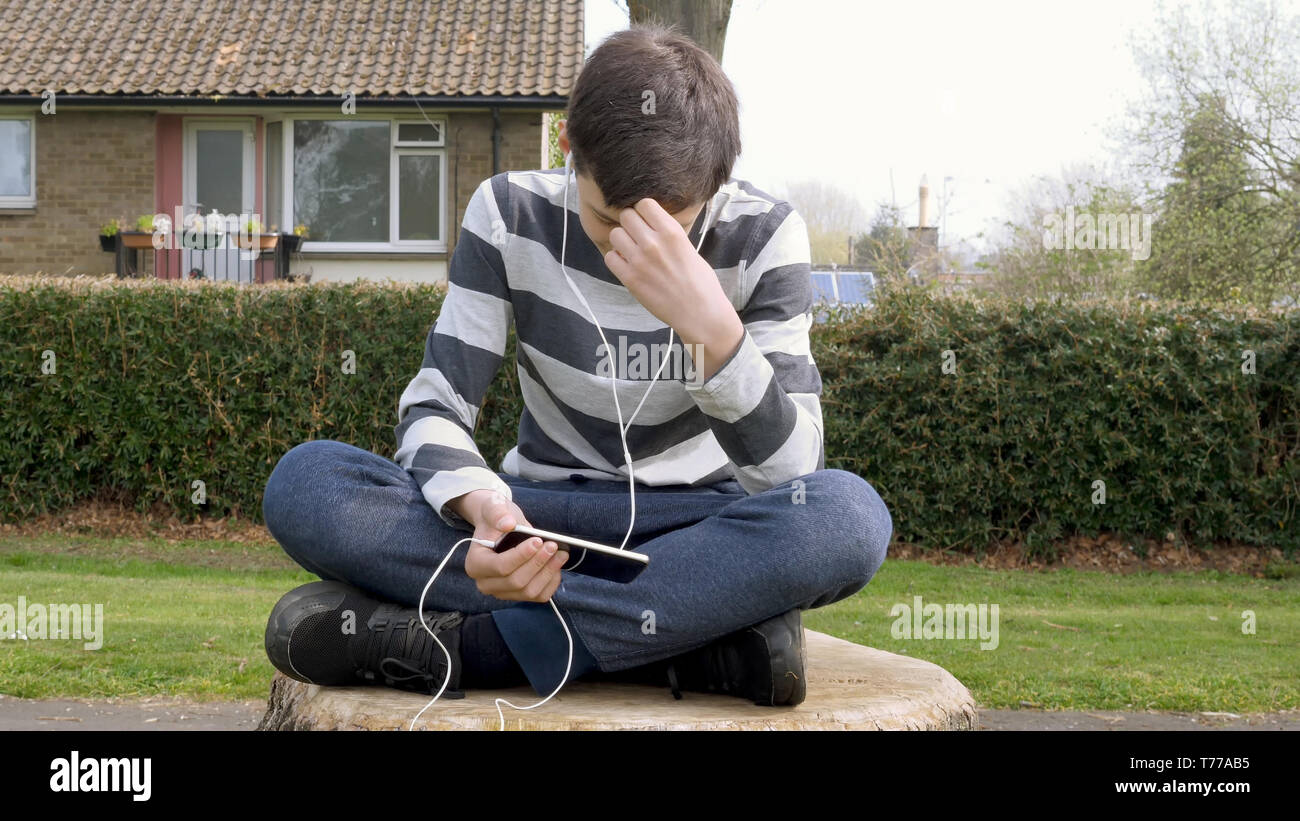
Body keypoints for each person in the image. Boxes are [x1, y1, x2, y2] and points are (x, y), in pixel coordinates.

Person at [261, 23, 892, 709]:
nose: (635, 248)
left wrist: (713, 328)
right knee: (307, 483)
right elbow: (436, 403)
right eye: (607, 217)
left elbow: (791, 475)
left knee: (847, 520)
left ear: (718, 182)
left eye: (668, 227)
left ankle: (480, 646)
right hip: (536, 519)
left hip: (698, 533)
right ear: (567, 144)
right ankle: (693, 642)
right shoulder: (508, 213)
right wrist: (483, 511)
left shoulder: (766, 235)